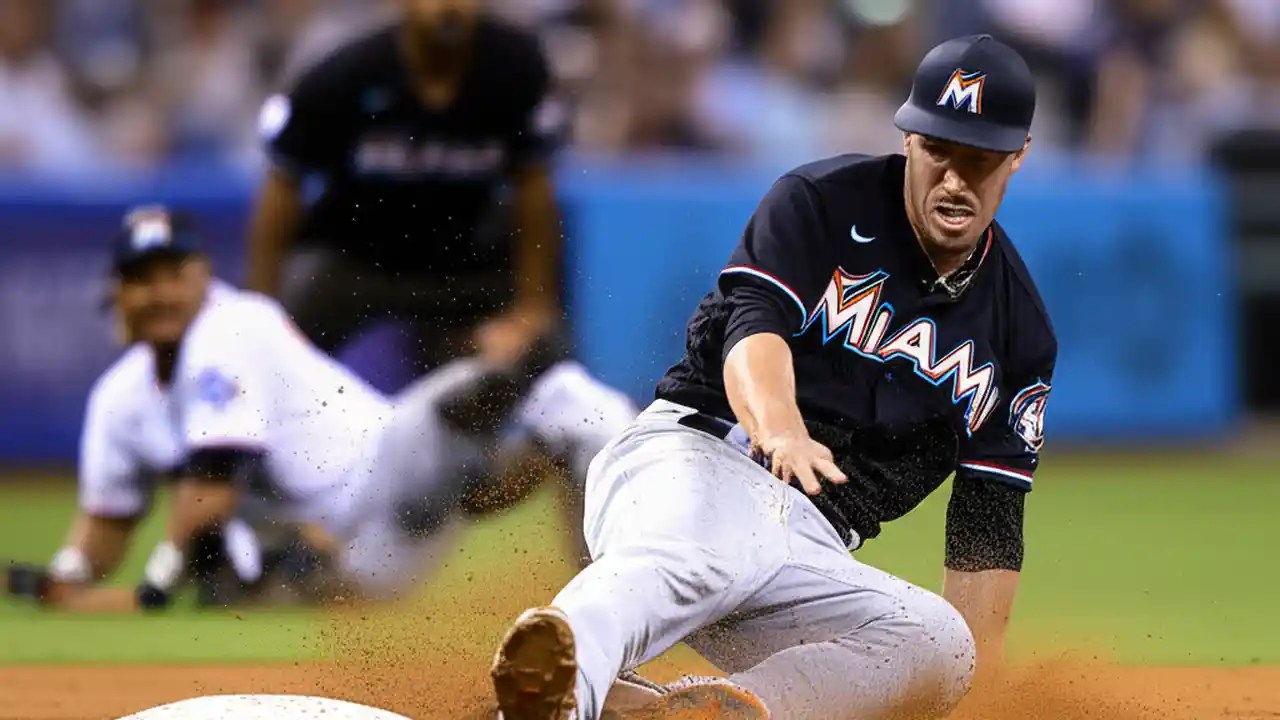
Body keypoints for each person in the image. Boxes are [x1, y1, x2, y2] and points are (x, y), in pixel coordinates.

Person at [486, 34, 1056, 720]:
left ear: (1020, 154)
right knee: (688, 557)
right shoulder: (821, 202)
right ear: (908, 139)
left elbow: (988, 521)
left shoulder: (1019, 330)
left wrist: (979, 692)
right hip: (698, 461)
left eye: (981, 158)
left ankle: (705, 714)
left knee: (941, 644)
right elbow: (752, 328)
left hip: (810, 549)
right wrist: (779, 426)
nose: (956, 180)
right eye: (939, 150)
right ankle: (561, 674)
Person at [4, 206, 636, 611]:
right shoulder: (119, 400)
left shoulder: (230, 325)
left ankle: (606, 616)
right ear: (115, 292)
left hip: (382, 472)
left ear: (203, 276)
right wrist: (62, 575)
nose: (161, 291)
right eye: (142, 278)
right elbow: (104, 527)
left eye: (174, 272)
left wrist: (160, 580)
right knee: (529, 406)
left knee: (578, 412)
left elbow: (211, 491)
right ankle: (496, 417)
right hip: (349, 561)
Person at [244, 0, 566, 379]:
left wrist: (531, 307)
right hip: (355, 261)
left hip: (462, 265)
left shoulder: (516, 67)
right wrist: (262, 309)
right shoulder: (347, 74)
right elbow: (283, 186)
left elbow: (533, 190)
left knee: (544, 348)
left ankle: (484, 430)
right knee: (267, 355)